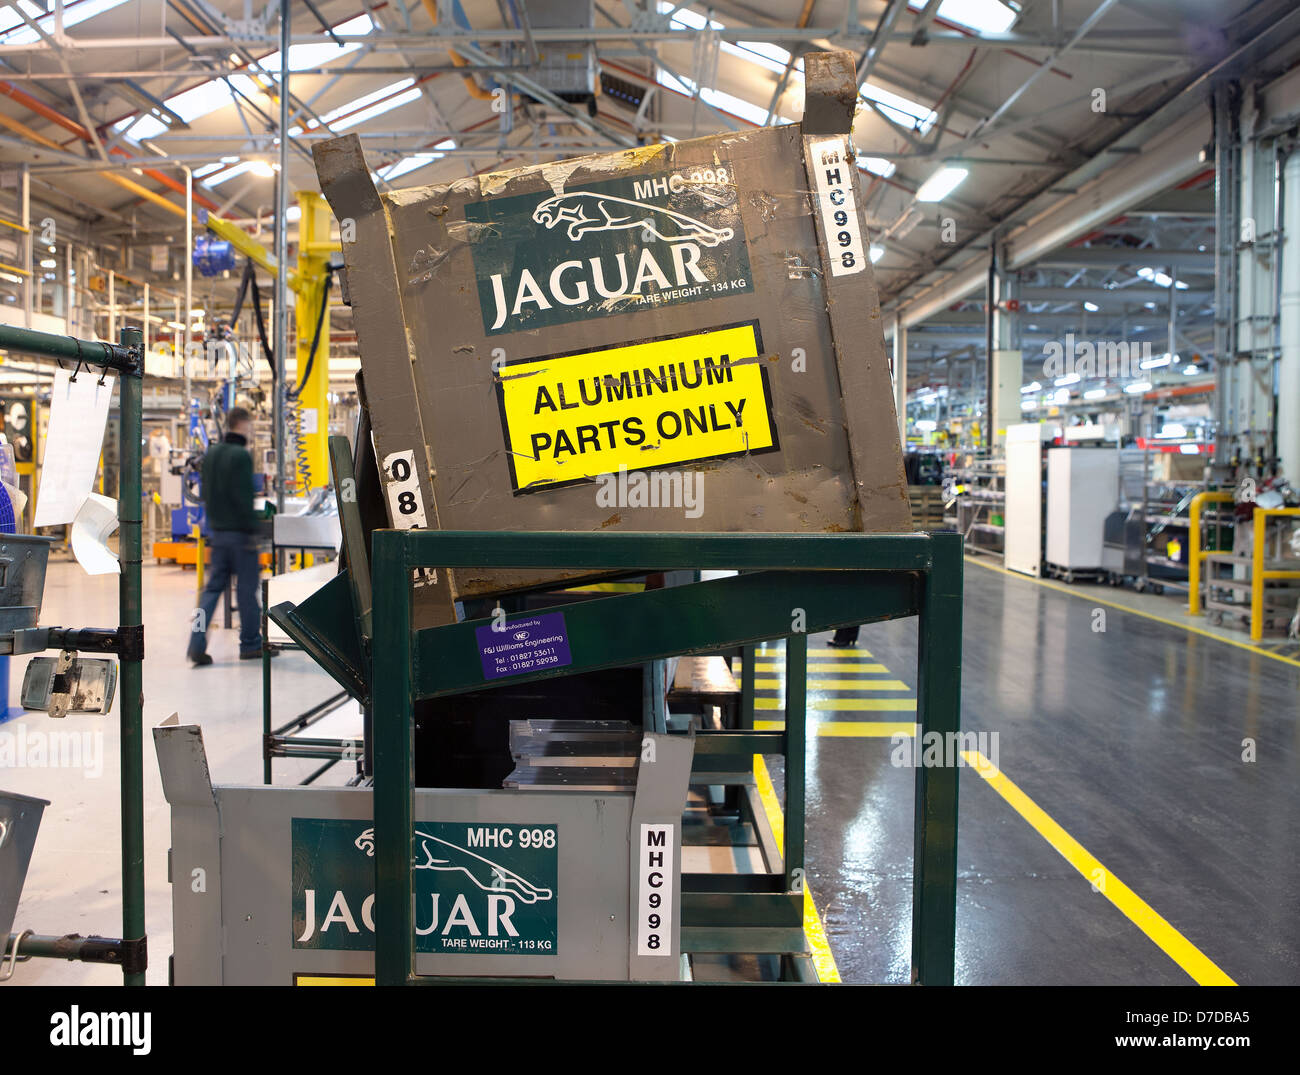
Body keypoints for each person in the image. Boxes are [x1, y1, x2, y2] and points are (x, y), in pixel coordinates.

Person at [187, 407, 269, 665]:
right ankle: (250, 645)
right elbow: (243, 498)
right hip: (240, 535)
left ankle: (195, 643)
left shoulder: (211, 454)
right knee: (246, 591)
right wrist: (253, 529)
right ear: (243, 425)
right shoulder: (241, 456)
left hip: (218, 533)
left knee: (210, 592)